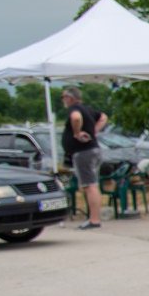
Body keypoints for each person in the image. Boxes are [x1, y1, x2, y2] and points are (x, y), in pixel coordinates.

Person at [61, 86, 108, 230]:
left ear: (70, 98)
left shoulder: (74, 109)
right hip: (93, 149)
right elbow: (103, 117)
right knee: (92, 184)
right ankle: (94, 217)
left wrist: (76, 133)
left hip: (83, 152)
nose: (63, 100)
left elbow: (76, 118)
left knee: (90, 185)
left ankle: (94, 219)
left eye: (64, 97)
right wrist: (94, 131)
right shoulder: (87, 109)